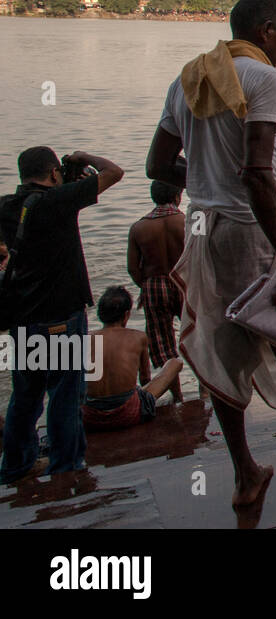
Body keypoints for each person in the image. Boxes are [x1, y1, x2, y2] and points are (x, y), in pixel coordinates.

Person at [146, 0, 276, 518]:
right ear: (264, 30)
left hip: (202, 230)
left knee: (224, 355)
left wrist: (205, 182)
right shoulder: (264, 79)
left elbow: (156, 166)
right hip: (250, 231)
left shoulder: (188, 78)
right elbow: (260, 174)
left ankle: (245, 476)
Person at [0, 147, 124, 483]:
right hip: (61, 321)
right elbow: (114, 172)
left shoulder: (7, 207)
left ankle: (15, 466)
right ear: (54, 173)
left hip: (23, 321)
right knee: (65, 399)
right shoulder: (60, 201)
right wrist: (84, 157)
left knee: (24, 399)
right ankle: (65, 469)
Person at [83, 286, 183, 432]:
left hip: (90, 416)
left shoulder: (85, 338)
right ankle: (178, 399)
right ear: (126, 315)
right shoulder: (138, 337)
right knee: (175, 362)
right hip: (128, 414)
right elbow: (144, 378)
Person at [127, 179, 186, 401]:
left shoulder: (139, 227)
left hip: (154, 285)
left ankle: (177, 396)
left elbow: (133, 267)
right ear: (178, 196)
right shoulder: (187, 221)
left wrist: (146, 286)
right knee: (198, 336)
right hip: (184, 281)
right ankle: (205, 391)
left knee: (163, 344)